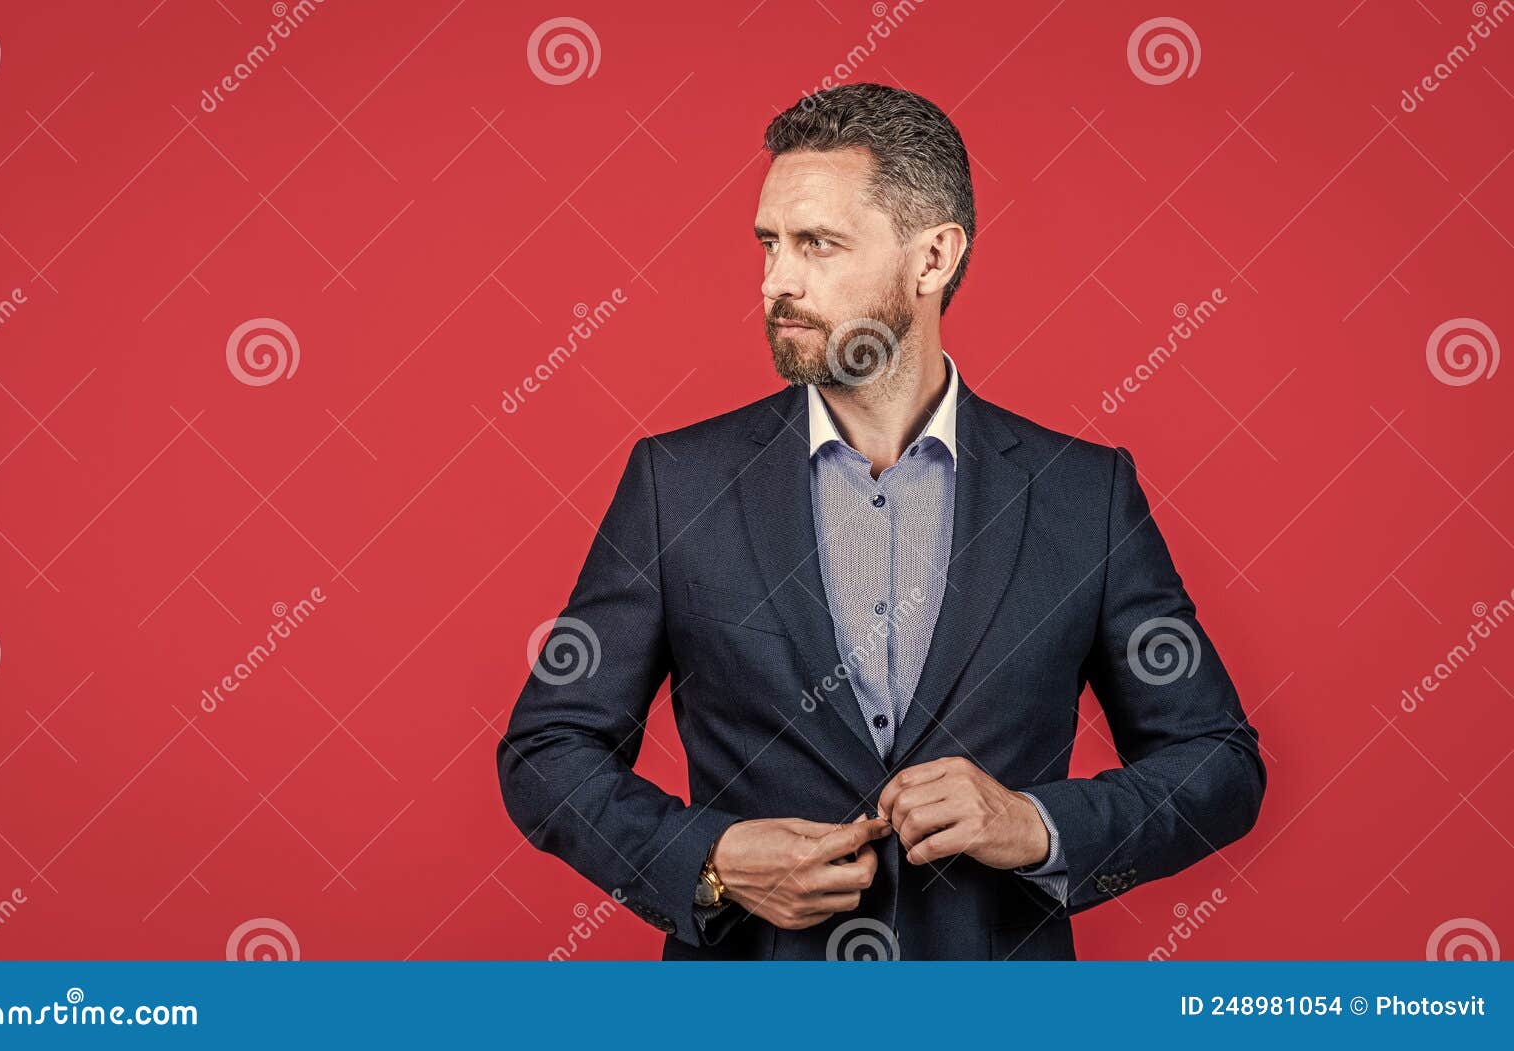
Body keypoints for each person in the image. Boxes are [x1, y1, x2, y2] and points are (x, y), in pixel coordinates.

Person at [496, 83, 1265, 960]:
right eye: (769, 244)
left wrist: (1036, 823)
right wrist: (706, 858)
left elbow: (1218, 762)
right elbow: (547, 747)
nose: (777, 280)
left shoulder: (1083, 496)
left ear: (932, 258)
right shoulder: (679, 482)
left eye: (817, 244)